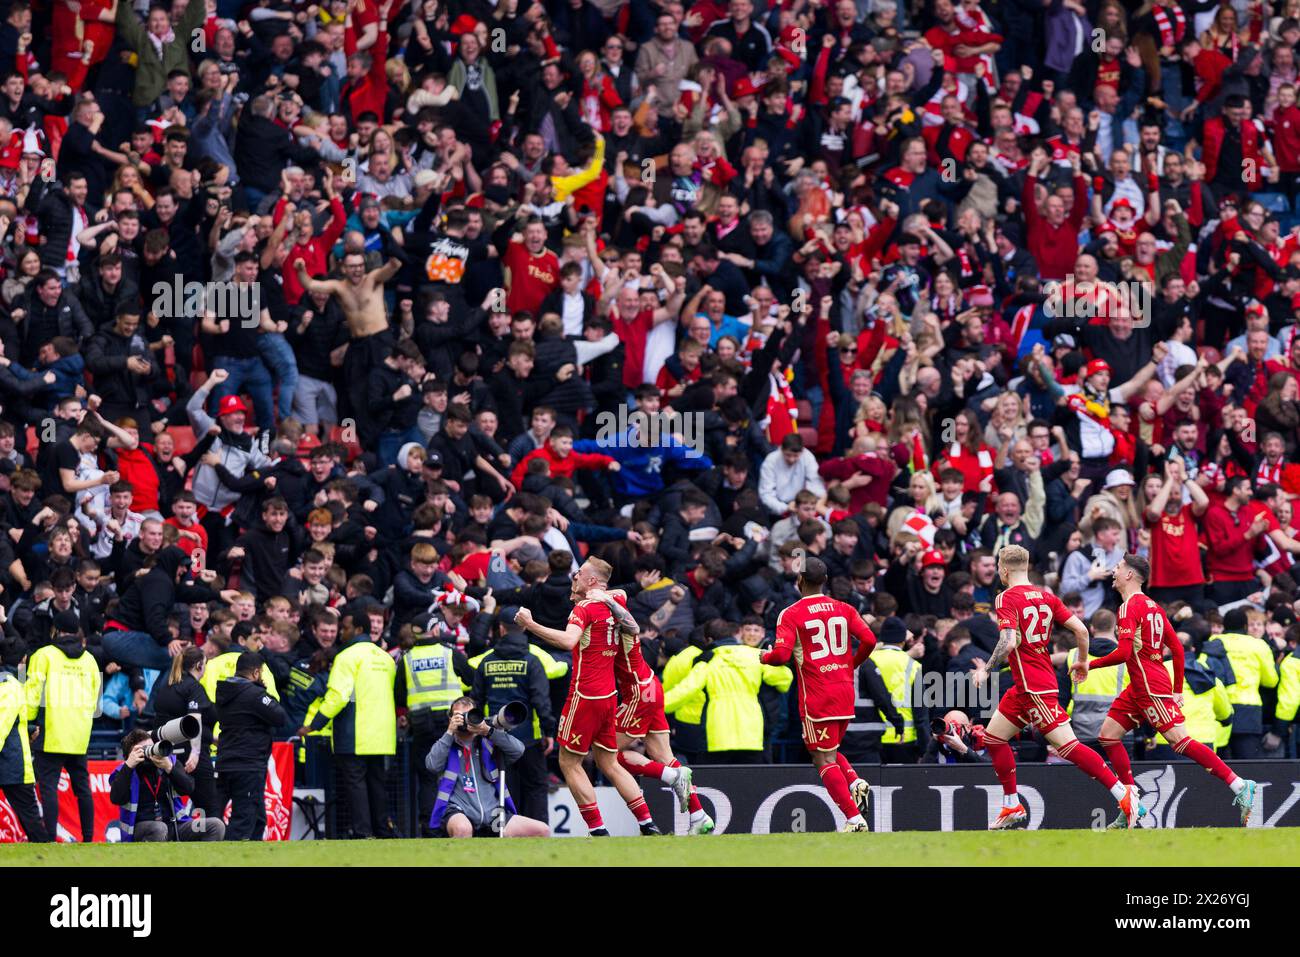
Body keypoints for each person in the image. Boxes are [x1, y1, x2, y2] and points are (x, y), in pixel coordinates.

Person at [973, 545, 1140, 829]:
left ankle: (1124, 793)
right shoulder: (1047, 597)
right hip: (1025, 687)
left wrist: (985, 671)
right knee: (993, 738)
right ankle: (1011, 803)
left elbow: (1008, 642)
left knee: (1068, 747)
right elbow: (1082, 630)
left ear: (1003, 569)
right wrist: (1083, 661)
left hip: (1035, 688)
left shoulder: (1005, 598)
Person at [1090, 555, 1258, 826]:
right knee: (1108, 736)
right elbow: (1177, 648)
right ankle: (1131, 802)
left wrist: (1089, 664)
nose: (1114, 571)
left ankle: (1239, 785)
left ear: (1130, 575)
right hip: (1141, 685)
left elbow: (1122, 652)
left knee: (1180, 741)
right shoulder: (1153, 607)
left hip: (1149, 686)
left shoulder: (1129, 607)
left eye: (1118, 568)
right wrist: (1177, 688)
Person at [513, 558, 663, 836]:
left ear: (591, 581)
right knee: (609, 762)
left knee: (568, 762)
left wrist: (530, 624)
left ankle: (598, 831)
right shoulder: (615, 599)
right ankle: (647, 823)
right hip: (609, 695)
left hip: (585, 694)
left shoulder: (583, 608)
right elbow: (629, 613)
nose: (574, 577)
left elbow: (569, 641)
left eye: (579, 574)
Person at [762, 557, 877, 832]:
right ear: (824, 580)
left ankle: (853, 819)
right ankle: (853, 781)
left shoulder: (791, 613)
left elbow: (781, 655)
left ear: (799, 580)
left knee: (821, 759)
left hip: (817, 695)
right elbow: (870, 640)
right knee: (831, 750)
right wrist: (851, 663)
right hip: (844, 690)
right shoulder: (845, 608)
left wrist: (763, 657)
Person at [298, 613, 399, 839]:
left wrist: (314, 724)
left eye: (345, 627)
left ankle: (363, 833)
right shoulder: (385, 658)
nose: (341, 632)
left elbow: (339, 696)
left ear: (357, 629)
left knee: (356, 785)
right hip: (382, 733)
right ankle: (383, 831)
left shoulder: (347, 657)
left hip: (354, 732)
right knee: (377, 785)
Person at [468, 608, 557, 826]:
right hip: (529, 739)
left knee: (504, 788)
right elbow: (540, 700)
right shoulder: (532, 661)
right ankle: (537, 832)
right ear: (524, 627)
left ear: (500, 629)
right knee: (535, 787)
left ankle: (507, 832)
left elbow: (475, 701)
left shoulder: (486, 663)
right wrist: (548, 732)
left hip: (494, 738)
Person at [423, 697, 550, 839]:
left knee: (542, 830)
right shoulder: (446, 745)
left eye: (469, 715)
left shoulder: (489, 743)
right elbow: (432, 765)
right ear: (451, 719)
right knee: (462, 829)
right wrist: (449, 732)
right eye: (459, 716)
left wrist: (488, 731)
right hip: (458, 810)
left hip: (493, 814)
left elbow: (518, 750)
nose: (465, 720)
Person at [25, 610, 99, 843]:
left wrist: (28, 723)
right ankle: (89, 839)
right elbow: (96, 699)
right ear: (77, 631)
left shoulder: (44, 655)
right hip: (78, 735)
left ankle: (48, 838)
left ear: (54, 629)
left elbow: (32, 693)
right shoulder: (90, 659)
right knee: (83, 790)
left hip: (51, 733)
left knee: (48, 788)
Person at [215, 651, 287, 840]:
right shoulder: (254, 694)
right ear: (256, 673)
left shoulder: (223, 691)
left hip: (226, 761)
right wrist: (262, 690)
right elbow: (280, 716)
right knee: (243, 819)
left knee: (257, 818)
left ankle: (253, 854)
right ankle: (227, 856)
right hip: (248, 763)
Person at [108, 728, 226, 842]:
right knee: (159, 828)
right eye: (142, 750)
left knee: (216, 825)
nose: (149, 752)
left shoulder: (168, 762)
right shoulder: (124, 771)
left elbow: (188, 788)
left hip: (175, 825)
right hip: (141, 829)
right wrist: (129, 765)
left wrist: (169, 768)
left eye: (151, 747)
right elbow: (116, 798)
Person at [0, 635, 49, 842]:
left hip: (10, 761)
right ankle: (47, 856)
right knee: (31, 819)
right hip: (13, 765)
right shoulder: (11, 686)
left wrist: (26, 727)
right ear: (24, 661)